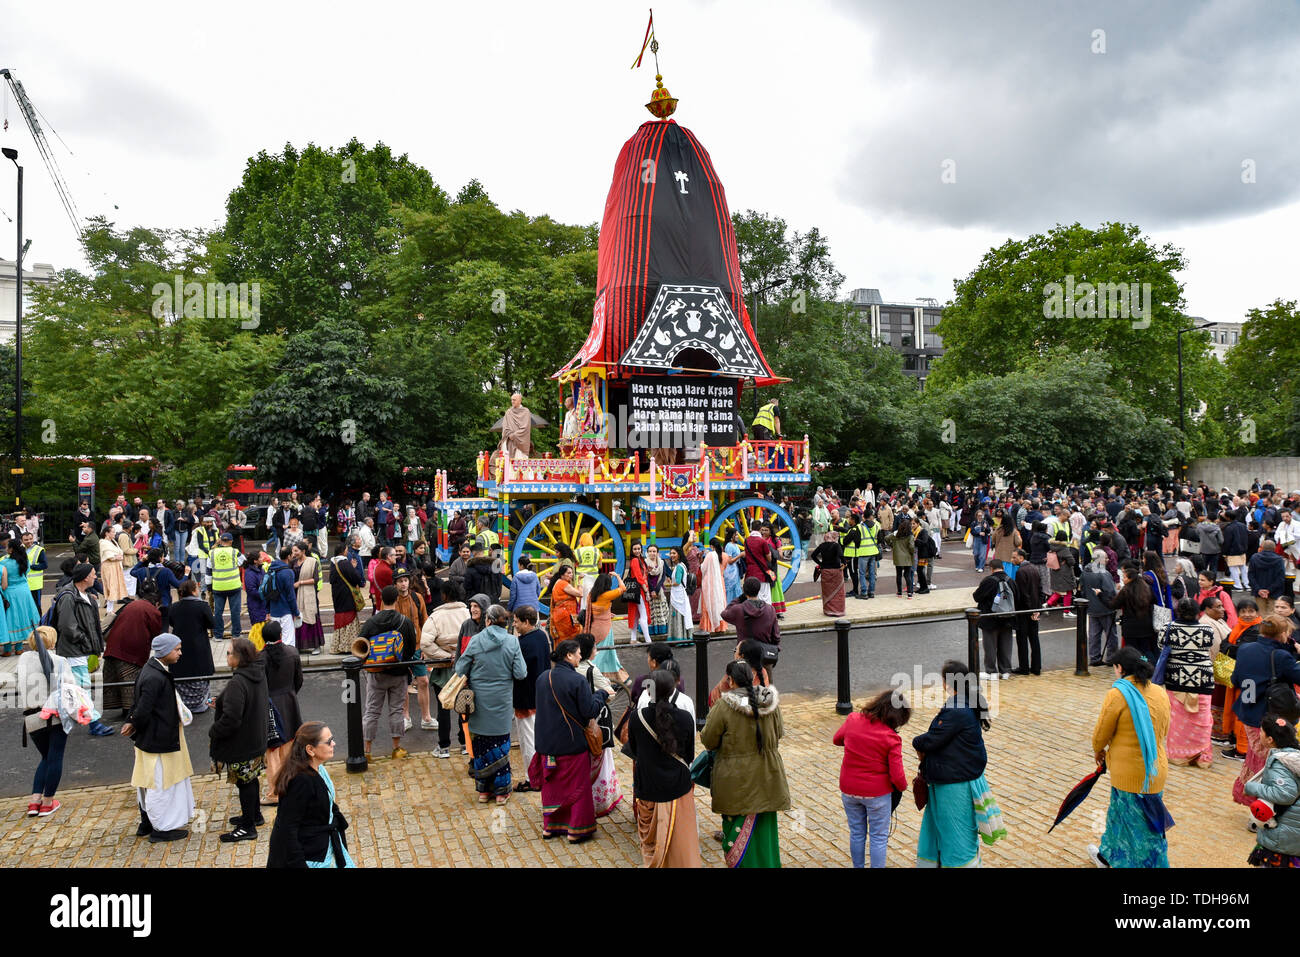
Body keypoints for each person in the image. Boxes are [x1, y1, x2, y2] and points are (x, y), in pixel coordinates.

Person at [1087, 646, 1172, 868]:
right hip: (1156, 769)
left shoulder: (1118, 694)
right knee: (1119, 817)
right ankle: (1107, 855)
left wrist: (1098, 749)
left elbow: (1101, 733)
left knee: (1138, 828)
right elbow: (1164, 729)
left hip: (1128, 774)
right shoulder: (1159, 692)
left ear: (1120, 668)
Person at [700, 659, 790, 867]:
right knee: (764, 832)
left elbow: (709, 740)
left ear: (730, 681)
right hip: (768, 777)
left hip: (736, 781)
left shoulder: (724, 706)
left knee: (736, 832)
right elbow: (779, 733)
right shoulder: (770, 702)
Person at [913, 661, 1003, 867]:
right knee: (950, 830)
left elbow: (931, 739)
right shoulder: (966, 703)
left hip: (953, 784)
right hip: (959, 777)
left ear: (946, 682)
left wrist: (916, 742)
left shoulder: (956, 709)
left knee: (956, 835)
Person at [531, 639, 610, 842]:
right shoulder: (577, 681)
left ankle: (550, 828)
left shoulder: (542, 678)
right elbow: (589, 711)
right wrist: (601, 694)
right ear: (568, 655)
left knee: (552, 787)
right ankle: (576, 829)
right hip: (571, 743)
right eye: (577, 654)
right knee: (578, 788)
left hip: (546, 744)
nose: (580, 657)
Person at [624, 668, 701, 868]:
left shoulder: (637, 718)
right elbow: (689, 754)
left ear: (649, 691)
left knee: (650, 841)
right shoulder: (685, 717)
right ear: (673, 688)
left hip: (648, 785)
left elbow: (634, 749)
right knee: (681, 842)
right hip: (678, 787)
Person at [123, 633, 194, 843]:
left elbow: (139, 704)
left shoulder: (151, 670)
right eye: (177, 649)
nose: (180, 653)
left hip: (152, 739)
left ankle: (147, 822)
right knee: (160, 784)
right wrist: (134, 722)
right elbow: (143, 707)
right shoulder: (155, 676)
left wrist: (132, 722)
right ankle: (161, 828)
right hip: (159, 740)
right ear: (164, 652)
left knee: (147, 782)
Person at [455, 604, 527, 803]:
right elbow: (521, 673)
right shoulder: (512, 642)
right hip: (502, 701)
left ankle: (484, 791)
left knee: (480, 746)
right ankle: (502, 792)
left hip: (479, 700)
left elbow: (460, 668)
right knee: (501, 745)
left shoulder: (476, 641)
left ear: (488, 620)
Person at [833, 688, 910, 868]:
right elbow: (898, 778)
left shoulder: (853, 719)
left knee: (857, 833)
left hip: (849, 789)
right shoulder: (891, 738)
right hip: (878, 795)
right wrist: (904, 787)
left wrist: (855, 740)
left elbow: (837, 739)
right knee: (878, 838)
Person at [1230, 615, 1300, 811]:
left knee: (1257, 756)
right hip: (1271, 716)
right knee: (1272, 762)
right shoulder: (1281, 656)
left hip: (1248, 712)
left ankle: (1251, 799)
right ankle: (1264, 807)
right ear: (1283, 634)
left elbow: (1236, 680)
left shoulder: (1245, 649)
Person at [267, 721, 355, 868]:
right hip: (310, 856)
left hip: (322, 846)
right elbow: (287, 828)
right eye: (328, 742)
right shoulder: (300, 781)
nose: (333, 743)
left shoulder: (318, 769)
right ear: (310, 749)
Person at [208, 637, 270, 842]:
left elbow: (232, 719)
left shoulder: (238, 681)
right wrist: (223, 702)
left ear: (239, 657)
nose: (226, 656)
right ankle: (254, 815)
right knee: (251, 780)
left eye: (228, 653)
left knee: (244, 784)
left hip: (242, 744)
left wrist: (213, 730)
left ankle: (248, 827)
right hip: (256, 740)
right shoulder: (257, 674)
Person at [19, 627, 73, 818]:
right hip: (53, 716)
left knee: (46, 758)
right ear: (51, 642)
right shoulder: (60, 661)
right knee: (55, 757)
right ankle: (48, 802)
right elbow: (70, 687)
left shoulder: (23, 659)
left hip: (31, 719)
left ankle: (34, 802)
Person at [54, 564, 113, 736]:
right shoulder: (68, 596)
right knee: (82, 688)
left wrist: (95, 646)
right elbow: (67, 626)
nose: (96, 577)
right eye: (94, 574)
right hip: (74, 651)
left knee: (73, 688)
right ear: (85, 577)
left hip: (82, 650)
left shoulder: (86, 595)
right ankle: (94, 723)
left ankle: (59, 719)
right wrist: (85, 642)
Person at [360, 585, 418, 761]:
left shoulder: (371, 622)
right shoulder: (404, 622)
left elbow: (361, 645)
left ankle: (367, 751)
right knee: (396, 711)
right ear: (396, 600)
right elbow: (410, 649)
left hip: (376, 673)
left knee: (371, 711)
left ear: (381, 600)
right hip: (398, 673)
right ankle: (396, 748)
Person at [1162, 597, 1216, 769]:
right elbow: (1209, 645)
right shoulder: (1207, 629)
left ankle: (1179, 755)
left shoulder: (1168, 629)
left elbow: (1160, 647)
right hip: (1203, 679)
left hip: (1176, 678)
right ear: (1198, 612)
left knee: (1177, 719)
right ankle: (1201, 756)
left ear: (1178, 612)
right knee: (1202, 718)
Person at [1243, 714, 1300, 867]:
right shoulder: (1293, 756)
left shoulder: (1281, 763)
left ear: (1270, 739)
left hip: (1284, 836)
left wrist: (1251, 787)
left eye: (1262, 731)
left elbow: (1285, 793)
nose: (1259, 734)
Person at [423, 580, 471, 759]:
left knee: (443, 708)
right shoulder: (468, 613)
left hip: (443, 668)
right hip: (465, 667)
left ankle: (444, 746)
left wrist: (443, 654)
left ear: (444, 595)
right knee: (464, 707)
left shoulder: (435, 617)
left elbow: (425, 643)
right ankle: (466, 743)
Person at [101, 586, 162, 715]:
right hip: (131, 652)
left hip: (113, 646)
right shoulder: (152, 611)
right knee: (130, 682)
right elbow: (157, 634)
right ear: (156, 603)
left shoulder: (131, 605)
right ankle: (131, 712)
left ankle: (124, 709)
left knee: (117, 679)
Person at [261, 622, 303, 804]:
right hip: (289, 701)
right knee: (288, 749)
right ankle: (290, 785)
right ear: (280, 634)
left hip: (269, 704)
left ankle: (275, 792)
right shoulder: (292, 652)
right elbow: (298, 680)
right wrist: (291, 693)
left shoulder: (260, 658)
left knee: (272, 753)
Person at [511, 605, 551, 790]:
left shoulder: (522, 644)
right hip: (541, 697)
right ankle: (544, 773)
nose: (515, 625)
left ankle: (532, 778)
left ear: (526, 622)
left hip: (525, 699)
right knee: (541, 738)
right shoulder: (542, 636)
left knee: (528, 742)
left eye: (517, 621)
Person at [392, 566, 432, 731]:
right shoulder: (391, 600)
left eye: (406, 580)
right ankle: (406, 717)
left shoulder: (418, 598)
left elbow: (426, 622)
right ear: (395, 584)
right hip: (399, 649)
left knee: (423, 681)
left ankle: (426, 717)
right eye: (400, 581)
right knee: (403, 685)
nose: (403, 584)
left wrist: (425, 646)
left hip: (416, 647)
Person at [168, 579, 215, 715]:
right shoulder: (202, 606)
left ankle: (183, 702)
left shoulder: (174, 607)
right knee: (199, 673)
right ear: (194, 591)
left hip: (179, 646)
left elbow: (171, 622)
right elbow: (212, 624)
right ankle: (201, 702)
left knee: (182, 674)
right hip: (199, 645)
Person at [972, 563, 1016, 680]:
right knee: (1006, 646)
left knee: (990, 646)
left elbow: (977, 596)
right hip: (1007, 618)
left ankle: (991, 672)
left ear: (991, 569)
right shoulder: (1010, 580)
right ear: (1003, 567)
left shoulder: (988, 581)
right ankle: (1006, 671)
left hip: (990, 619)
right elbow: (1017, 597)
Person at [586, 570, 627, 682]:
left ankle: (613, 677)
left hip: (594, 627)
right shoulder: (607, 595)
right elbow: (623, 588)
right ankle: (592, 675)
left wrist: (607, 613)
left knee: (601, 652)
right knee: (604, 653)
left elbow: (596, 610)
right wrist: (617, 576)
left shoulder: (591, 594)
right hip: (605, 629)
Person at [327, 544, 366, 655]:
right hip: (347, 595)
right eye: (347, 550)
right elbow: (357, 578)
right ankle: (348, 646)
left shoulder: (333, 563)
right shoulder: (345, 563)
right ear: (344, 551)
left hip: (337, 595)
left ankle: (338, 645)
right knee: (349, 618)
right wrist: (353, 568)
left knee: (340, 618)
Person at [291, 542, 325, 655]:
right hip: (296, 595)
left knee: (311, 617)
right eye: (293, 551)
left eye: (296, 551)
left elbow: (315, 579)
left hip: (309, 594)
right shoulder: (293, 562)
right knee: (298, 618)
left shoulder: (312, 562)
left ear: (303, 551)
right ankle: (299, 645)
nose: (294, 553)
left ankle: (316, 646)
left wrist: (300, 583)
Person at [210, 531, 244, 643]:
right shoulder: (235, 552)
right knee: (235, 611)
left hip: (218, 587)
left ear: (220, 541)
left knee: (218, 612)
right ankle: (236, 635)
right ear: (231, 541)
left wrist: (209, 587)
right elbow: (243, 561)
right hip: (233, 586)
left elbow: (208, 571)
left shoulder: (212, 552)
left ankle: (218, 635)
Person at [264, 548, 301, 647]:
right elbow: (291, 595)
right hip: (285, 612)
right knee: (288, 641)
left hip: (273, 611)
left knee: (274, 641)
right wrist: (296, 612)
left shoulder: (271, 569)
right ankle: (287, 660)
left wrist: (267, 610)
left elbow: (267, 592)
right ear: (288, 556)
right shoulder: (288, 572)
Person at [542, 564, 583, 648]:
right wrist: (579, 582)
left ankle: (562, 656)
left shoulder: (559, 582)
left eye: (572, 573)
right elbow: (580, 593)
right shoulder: (563, 584)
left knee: (562, 639)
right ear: (562, 574)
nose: (571, 575)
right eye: (568, 573)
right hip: (565, 616)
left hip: (561, 614)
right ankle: (567, 656)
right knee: (569, 639)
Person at [810, 526, 846, 615]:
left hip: (825, 571)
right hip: (836, 571)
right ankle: (838, 610)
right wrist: (844, 563)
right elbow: (841, 556)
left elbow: (813, 555)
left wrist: (820, 563)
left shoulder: (822, 545)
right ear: (834, 537)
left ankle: (828, 611)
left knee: (827, 591)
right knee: (838, 592)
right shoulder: (836, 545)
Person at [698, 537, 727, 634]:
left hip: (708, 582)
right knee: (718, 602)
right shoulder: (725, 556)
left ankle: (708, 626)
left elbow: (703, 568)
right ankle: (720, 626)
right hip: (720, 582)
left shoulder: (709, 555)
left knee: (708, 603)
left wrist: (702, 559)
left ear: (711, 546)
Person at [665, 546, 694, 640]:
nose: (672, 555)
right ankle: (685, 636)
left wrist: (668, 584)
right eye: (671, 553)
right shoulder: (683, 565)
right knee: (683, 615)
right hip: (681, 594)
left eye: (674, 553)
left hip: (678, 595)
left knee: (677, 614)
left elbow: (677, 582)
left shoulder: (678, 567)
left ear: (679, 554)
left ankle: (679, 637)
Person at [885, 516, 916, 599]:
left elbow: (886, 538)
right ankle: (909, 593)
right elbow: (911, 547)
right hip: (907, 557)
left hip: (898, 557)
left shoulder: (896, 534)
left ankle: (899, 592)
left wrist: (892, 545)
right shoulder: (910, 536)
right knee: (907, 575)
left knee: (898, 575)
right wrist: (912, 552)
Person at [643, 545, 669, 639]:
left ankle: (662, 629)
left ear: (657, 553)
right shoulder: (645, 563)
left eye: (654, 551)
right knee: (651, 610)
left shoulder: (661, 562)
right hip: (649, 590)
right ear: (647, 552)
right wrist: (652, 590)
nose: (652, 553)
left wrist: (657, 589)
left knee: (661, 608)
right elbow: (646, 577)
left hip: (660, 589)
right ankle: (651, 630)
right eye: (650, 551)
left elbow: (663, 576)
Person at [500, 391, 533, 460]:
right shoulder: (508, 412)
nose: (512, 401)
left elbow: (525, 428)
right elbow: (505, 427)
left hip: (521, 443)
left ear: (520, 401)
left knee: (520, 465)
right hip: (510, 442)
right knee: (509, 466)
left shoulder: (526, 412)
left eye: (514, 400)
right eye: (511, 400)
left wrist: (514, 435)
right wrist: (509, 435)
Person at [722, 529, 743, 604]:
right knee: (731, 589)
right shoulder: (729, 546)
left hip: (735, 570)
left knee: (736, 588)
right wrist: (740, 555)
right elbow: (729, 561)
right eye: (736, 535)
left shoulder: (735, 545)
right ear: (732, 536)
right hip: (730, 571)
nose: (738, 536)